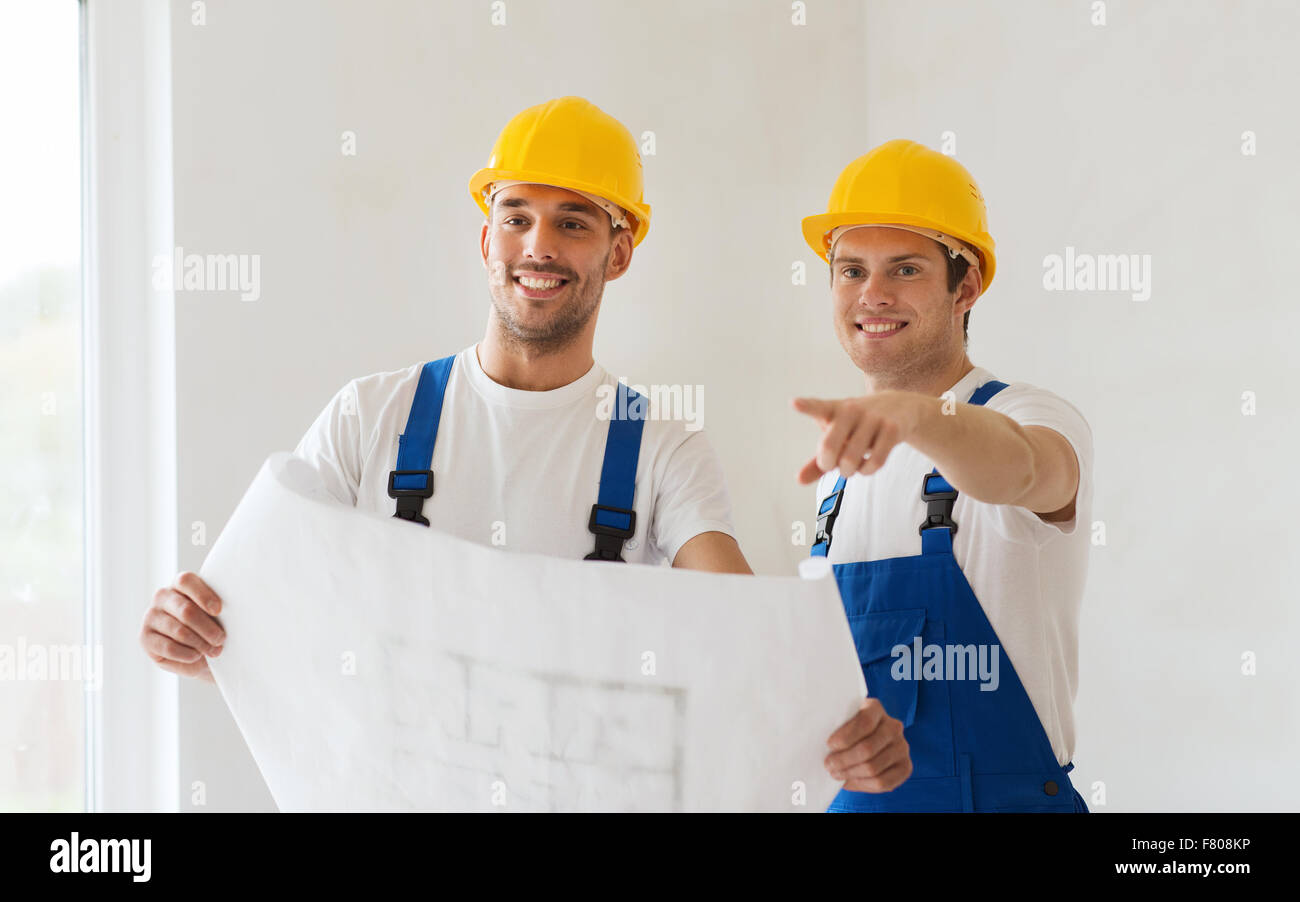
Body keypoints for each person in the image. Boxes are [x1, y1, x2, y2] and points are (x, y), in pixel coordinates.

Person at [138, 97, 912, 799]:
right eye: (517, 216)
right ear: (486, 239)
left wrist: (841, 725)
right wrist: (191, 634)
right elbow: (254, 613)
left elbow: (746, 636)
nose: (538, 244)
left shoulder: (661, 449)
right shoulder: (371, 416)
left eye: (573, 221)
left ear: (619, 254)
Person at [798, 139, 1093, 812]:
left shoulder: (1027, 415)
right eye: (850, 270)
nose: (872, 294)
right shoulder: (835, 484)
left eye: (904, 269)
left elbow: (1023, 470)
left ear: (966, 285)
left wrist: (917, 415)